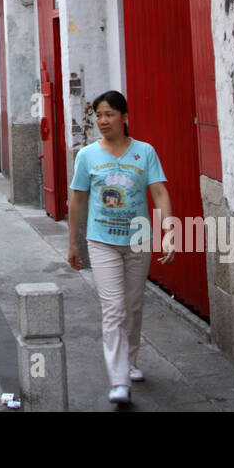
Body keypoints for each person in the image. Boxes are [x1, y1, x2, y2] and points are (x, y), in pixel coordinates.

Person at [68, 90, 175, 406]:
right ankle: (118, 379)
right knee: (114, 308)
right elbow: (77, 200)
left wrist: (169, 232)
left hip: (138, 241)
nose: (103, 121)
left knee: (133, 305)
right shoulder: (87, 156)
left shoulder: (145, 153)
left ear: (125, 117)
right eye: (99, 115)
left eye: (109, 114)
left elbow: (159, 193)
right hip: (102, 242)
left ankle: (130, 361)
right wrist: (73, 242)